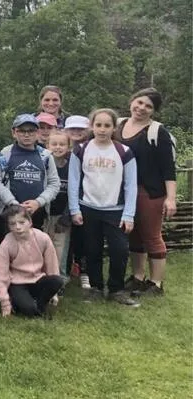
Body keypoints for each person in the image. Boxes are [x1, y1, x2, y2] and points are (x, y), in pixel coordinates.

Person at [69, 109, 139, 306]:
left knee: (119, 250)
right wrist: (75, 209)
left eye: (107, 125)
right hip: (88, 208)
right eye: (98, 125)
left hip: (115, 209)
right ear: (92, 126)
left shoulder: (124, 152)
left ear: (114, 128)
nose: (102, 129)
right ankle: (96, 288)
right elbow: (74, 182)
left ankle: (116, 289)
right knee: (92, 250)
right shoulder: (81, 150)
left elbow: (131, 185)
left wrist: (129, 214)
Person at [118, 88, 177, 296]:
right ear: (132, 101)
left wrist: (171, 198)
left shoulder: (157, 131)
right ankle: (137, 277)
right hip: (125, 191)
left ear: (153, 111)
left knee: (151, 236)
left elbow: (168, 167)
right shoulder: (119, 125)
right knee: (132, 234)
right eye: (139, 102)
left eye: (148, 106)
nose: (141, 108)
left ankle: (156, 283)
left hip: (150, 192)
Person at [0, 113, 60, 233]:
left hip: (37, 213)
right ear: (14, 132)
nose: (26, 134)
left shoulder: (46, 156)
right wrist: (12, 203)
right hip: (10, 213)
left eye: (31, 130)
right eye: (22, 131)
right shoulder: (4, 155)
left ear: (37, 133)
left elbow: (54, 183)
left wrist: (38, 202)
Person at [0, 205, 65, 318]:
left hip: (38, 279)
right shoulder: (6, 244)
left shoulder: (43, 238)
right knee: (29, 308)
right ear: (8, 226)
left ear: (30, 222)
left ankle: (38, 305)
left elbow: (52, 265)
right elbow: (0, 274)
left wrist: (54, 294)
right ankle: (30, 307)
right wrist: (4, 302)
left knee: (57, 280)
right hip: (18, 283)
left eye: (22, 222)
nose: (17, 227)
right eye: (12, 224)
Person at [63, 115, 91, 288]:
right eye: (72, 128)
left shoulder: (89, 149)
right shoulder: (60, 149)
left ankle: (85, 272)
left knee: (83, 239)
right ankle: (64, 272)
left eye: (80, 129)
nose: (76, 132)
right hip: (61, 201)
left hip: (84, 199)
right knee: (64, 240)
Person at [44, 130, 73, 284]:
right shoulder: (43, 164)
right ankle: (44, 276)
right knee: (43, 246)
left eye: (62, 144)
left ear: (68, 146)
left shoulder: (71, 167)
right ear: (47, 145)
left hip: (62, 214)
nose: (58, 147)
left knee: (60, 248)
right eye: (54, 144)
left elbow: (74, 192)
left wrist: (67, 216)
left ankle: (60, 278)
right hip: (45, 214)